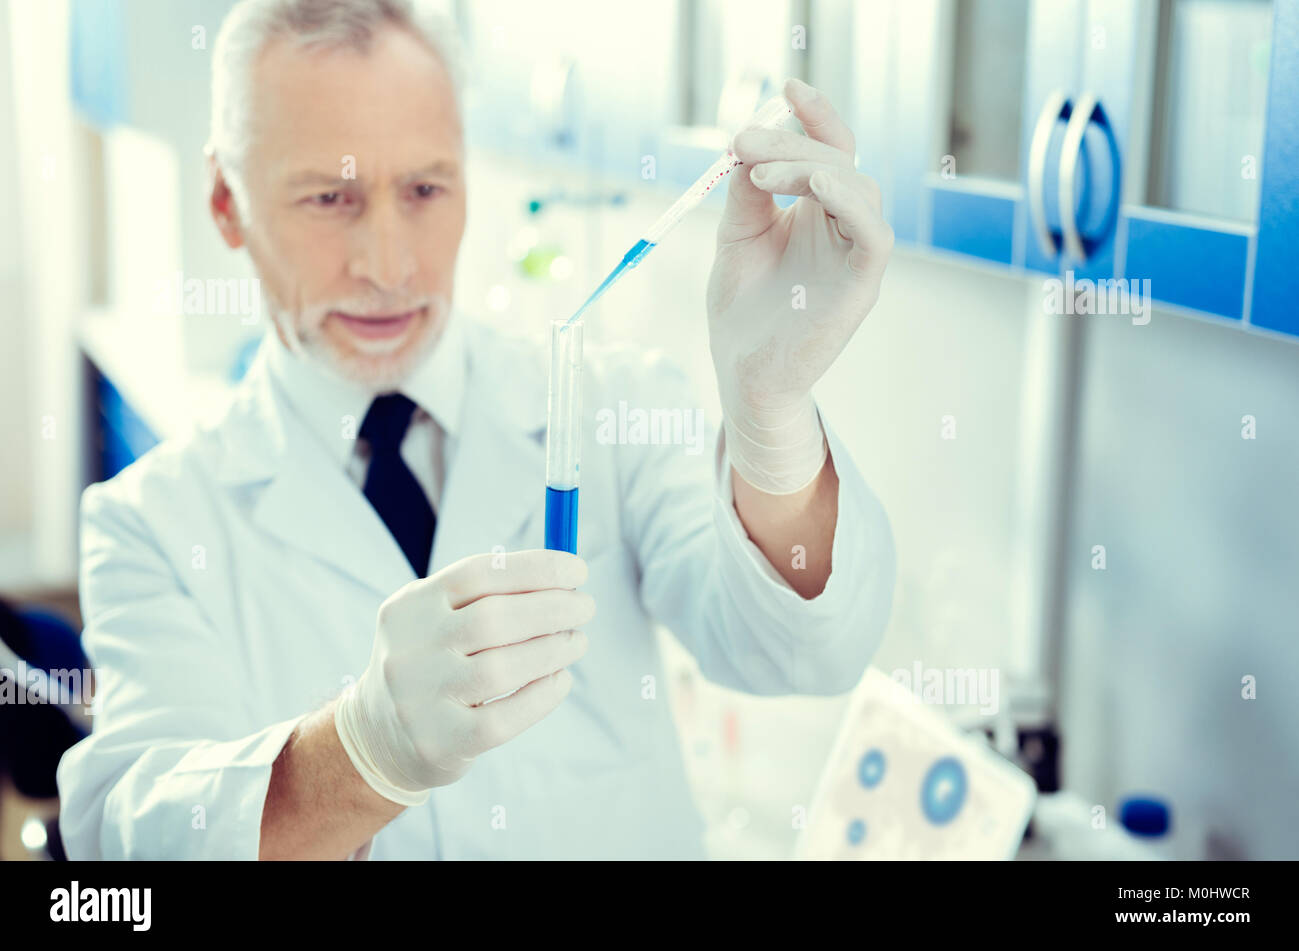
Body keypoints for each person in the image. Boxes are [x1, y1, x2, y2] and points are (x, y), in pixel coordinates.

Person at [56, 0, 896, 860]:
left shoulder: (611, 407)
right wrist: (359, 754)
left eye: (425, 189)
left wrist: (771, 414)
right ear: (227, 203)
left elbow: (799, 653)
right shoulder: (152, 523)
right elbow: (132, 847)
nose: (388, 265)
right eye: (329, 197)